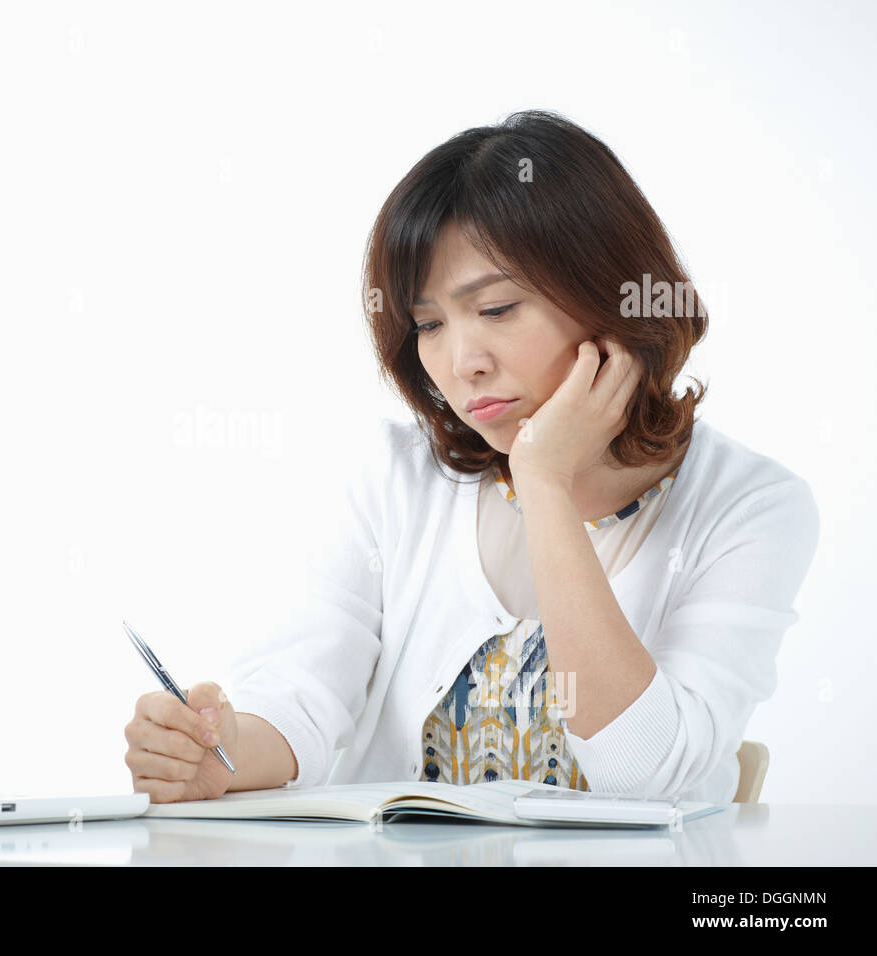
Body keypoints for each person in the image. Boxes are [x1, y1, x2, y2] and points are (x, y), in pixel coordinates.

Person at [123, 110, 820, 805]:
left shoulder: (752, 507)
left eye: (496, 309)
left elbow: (643, 770)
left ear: (608, 294)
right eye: (429, 323)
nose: (462, 363)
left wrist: (544, 481)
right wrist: (221, 753)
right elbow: (300, 698)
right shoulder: (397, 475)